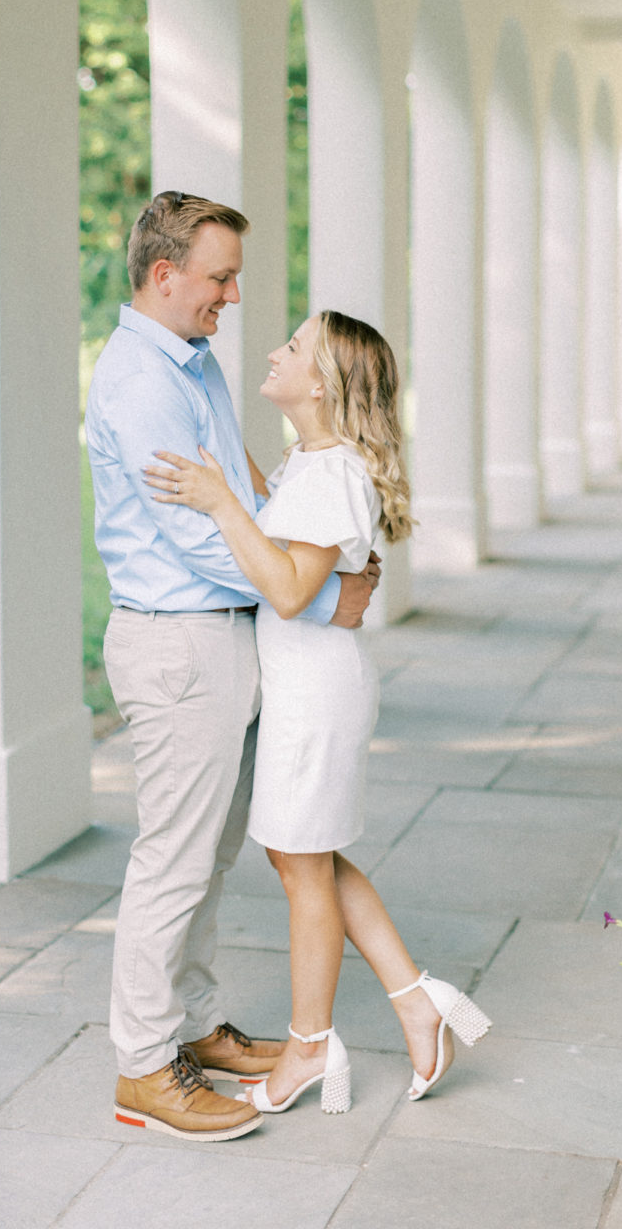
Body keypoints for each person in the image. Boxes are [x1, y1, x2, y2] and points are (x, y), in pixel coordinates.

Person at [143, 309, 491, 1116]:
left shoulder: (331, 472)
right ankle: (415, 1000)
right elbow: (299, 554)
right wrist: (252, 492)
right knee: (312, 861)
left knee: (302, 868)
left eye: (293, 347)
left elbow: (293, 589)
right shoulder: (314, 459)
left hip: (314, 695)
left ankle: (308, 1047)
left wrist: (221, 499)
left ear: (326, 384)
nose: (274, 350)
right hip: (310, 686)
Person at [85, 191, 379, 1142]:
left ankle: (193, 1026)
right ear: (165, 276)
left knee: (208, 852)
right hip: (178, 640)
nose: (233, 295)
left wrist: (298, 562)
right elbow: (199, 540)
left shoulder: (194, 361)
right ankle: (142, 1068)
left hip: (225, 634)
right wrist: (316, 594)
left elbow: (249, 487)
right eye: (219, 278)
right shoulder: (140, 382)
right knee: (172, 857)